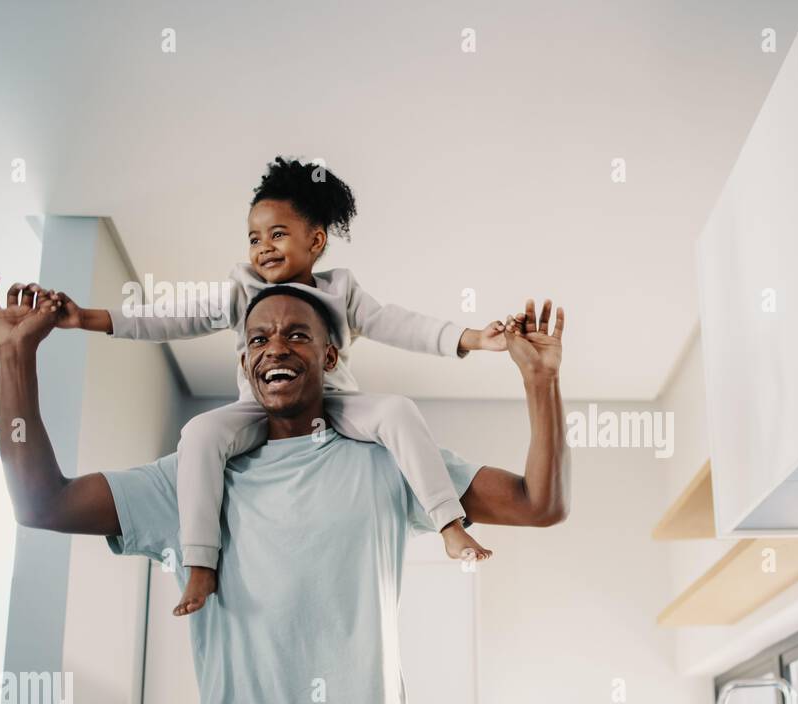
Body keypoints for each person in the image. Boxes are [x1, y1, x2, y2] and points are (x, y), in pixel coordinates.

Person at [0, 277, 569, 704]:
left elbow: (538, 504)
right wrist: (15, 357)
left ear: (331, 357)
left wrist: (540, 381)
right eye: (259, 338)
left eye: (298, 334)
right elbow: (42, 503)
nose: (276, 347)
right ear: (244, 363)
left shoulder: (390, 461)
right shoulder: (191, 477)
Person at [47, 156, 506, 617]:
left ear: (317, 240)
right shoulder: (241, 289)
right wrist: (88, 318)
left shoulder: (341, 291)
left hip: (336, 403)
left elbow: (397, 323)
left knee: (398, 411)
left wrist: (470, 338)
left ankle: (449, 526)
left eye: (278, 234)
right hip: (258, 408)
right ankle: (201, 563)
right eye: (254, 238)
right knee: (199, 435)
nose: (263, 247)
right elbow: (173, 315)